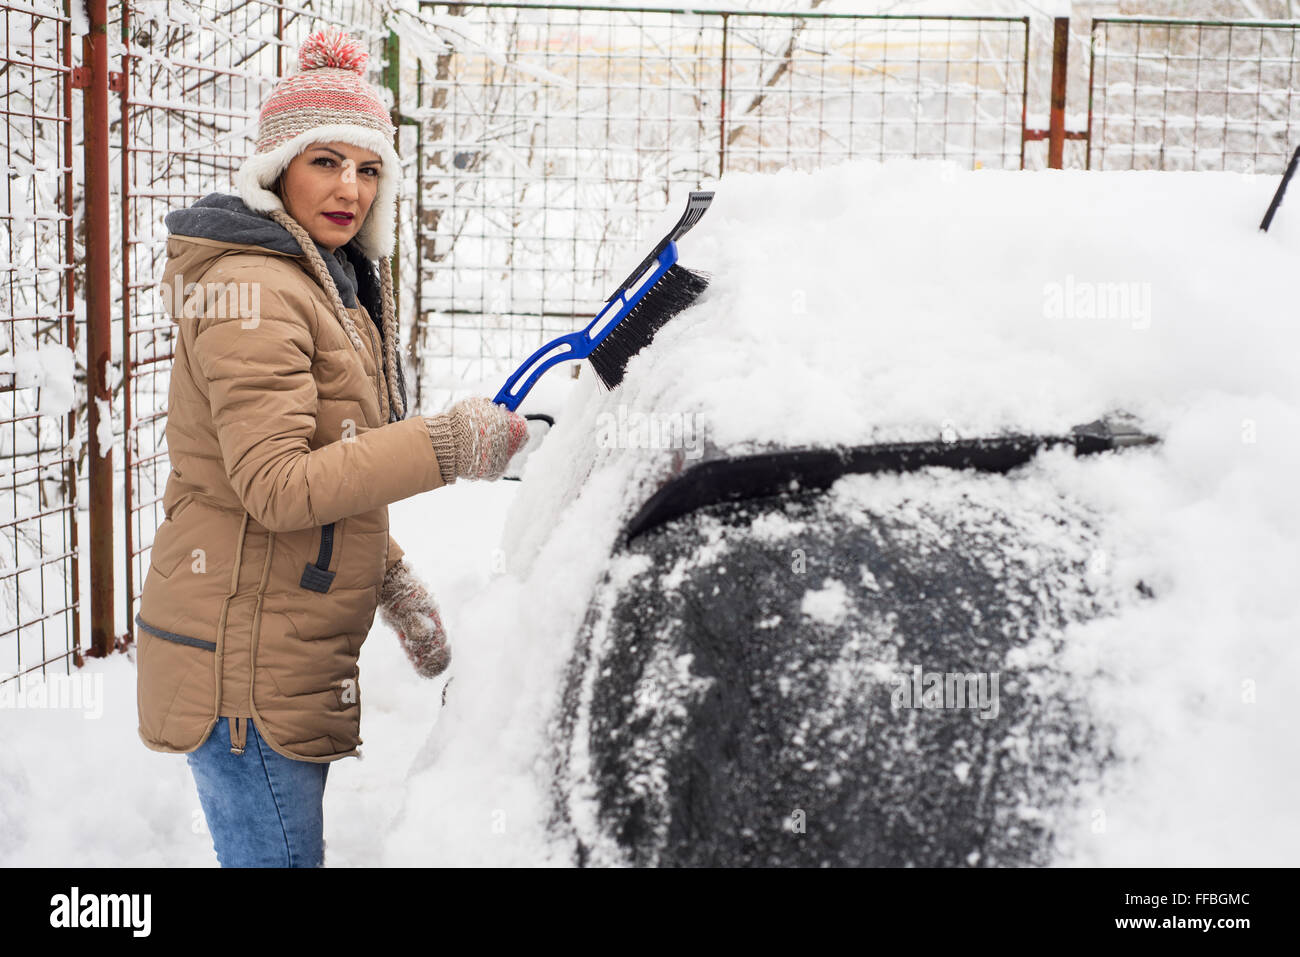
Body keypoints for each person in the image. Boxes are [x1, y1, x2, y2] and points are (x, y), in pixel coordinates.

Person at [134, 27, 529, 867]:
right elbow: (276, 485)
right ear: (278, 166)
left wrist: (381, 569)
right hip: (240, 667)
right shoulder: (258, 291)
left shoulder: (329, 280)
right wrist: (449, 444)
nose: (350, 186)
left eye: (369, 167)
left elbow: (323, 457)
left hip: (280, 651)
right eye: (326, 161)